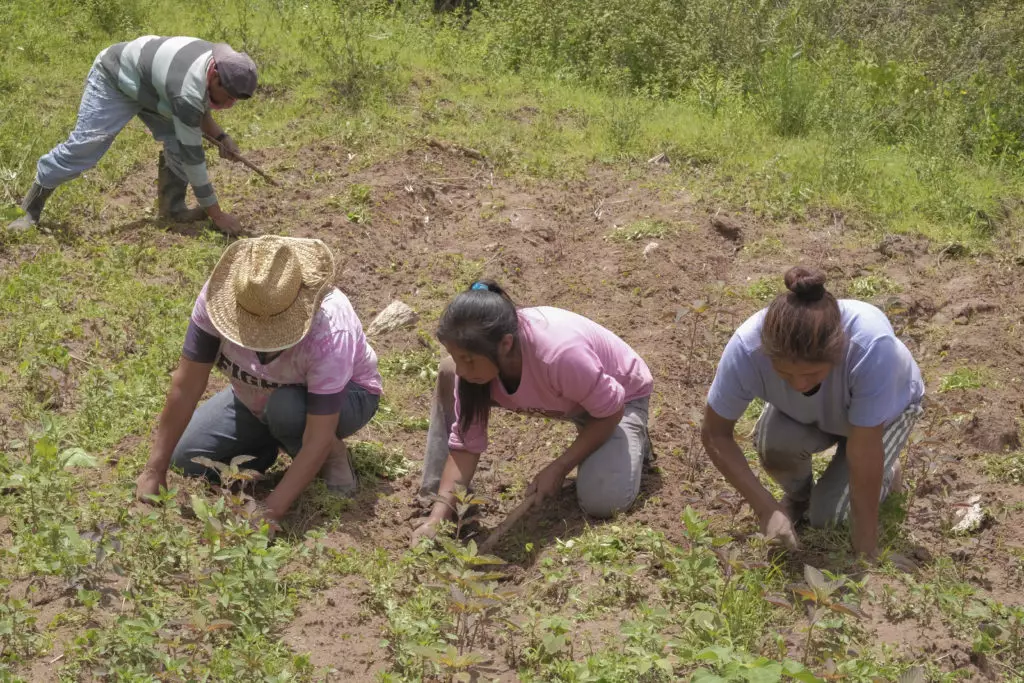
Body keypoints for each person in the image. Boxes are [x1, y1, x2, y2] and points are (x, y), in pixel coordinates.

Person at [134, 235, 382, 524]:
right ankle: (272, 440)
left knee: (285, 408)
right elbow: (186, 386)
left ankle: (333, 453)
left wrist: (270, 511)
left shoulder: (328, 329)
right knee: (187, 456)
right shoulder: (218, 301)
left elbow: (317, 436)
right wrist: (154, 469)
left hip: (346, 398)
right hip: (254, 394)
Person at [702, 266, 924, 558]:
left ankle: (887, 473)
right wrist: (766, 508)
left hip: (882, 418)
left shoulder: (870, 346)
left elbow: (864, 449)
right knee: (776, 443)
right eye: (784, 373)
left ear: (837, 352)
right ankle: (798, 498)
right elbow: (714, 433)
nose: (798, 384)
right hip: (815, 414)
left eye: (812, 373)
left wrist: (867, 549)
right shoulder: (747, 349)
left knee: (830, 517)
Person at [411, 280, 654, 543]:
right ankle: (445, 504)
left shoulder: (560, 355)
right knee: (448, 372)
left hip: (619, 400)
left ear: (505, 344)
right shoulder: (474, 368)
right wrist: (437, 519)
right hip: (569, 395)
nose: (462, 369)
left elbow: (611, 410)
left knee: (604, 500)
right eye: (457, 356)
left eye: (469, 360)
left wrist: (560, 467)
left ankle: (630, 439)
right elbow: (465, 447)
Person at [7, 36, 257, 235]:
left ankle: (173, 208)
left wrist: (222, 138)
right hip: (115, 77)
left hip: (155, 89)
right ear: (215, 76)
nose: (230, 103)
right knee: (87, 144)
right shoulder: (186, 89)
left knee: (178, 146)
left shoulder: (213, 65)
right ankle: (30, 209)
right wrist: (217, 214)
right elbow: (194, 153)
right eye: (230, 96)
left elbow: (196, 112)